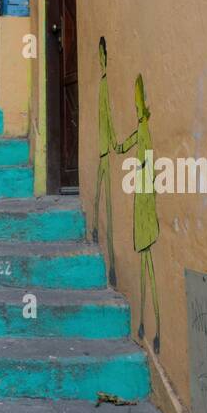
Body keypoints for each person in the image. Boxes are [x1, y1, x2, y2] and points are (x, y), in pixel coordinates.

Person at [118, 74, 161, 353]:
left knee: (148, 268)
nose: (135, 109)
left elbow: (131, 144)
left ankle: (150, 323)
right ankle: (148, 323)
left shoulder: (143, 129)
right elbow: (127, 145)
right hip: (143, 200)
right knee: (147, 266)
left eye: (137, 104)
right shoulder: (142, 128)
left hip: (145, 202)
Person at [93, 36, 119, 286]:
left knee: (104, 193)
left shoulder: (103, 83)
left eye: (103, 55)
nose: (101, 59)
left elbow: (108, 118)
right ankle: (96, 230)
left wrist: (114, 144)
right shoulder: (102, 84)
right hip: (102, 147)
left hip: (104, 147)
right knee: (103, 192)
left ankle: (97, 231)